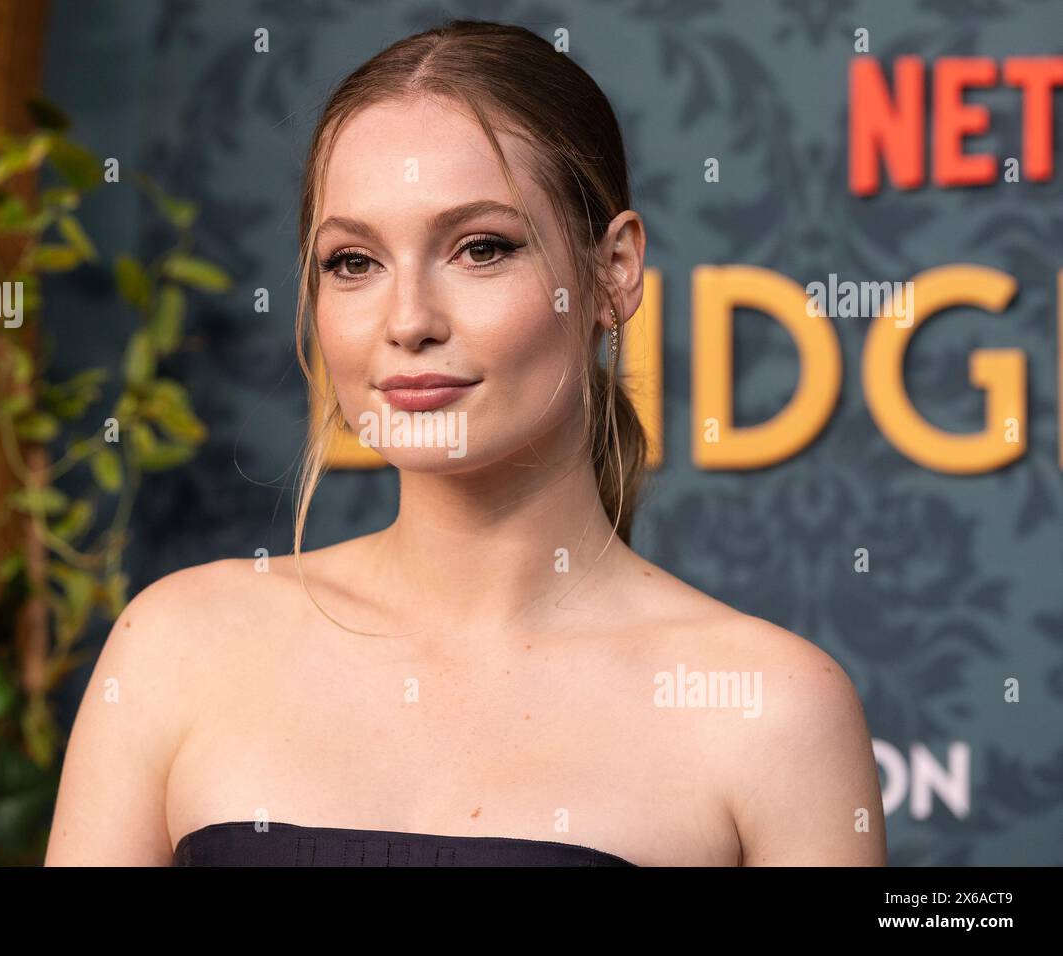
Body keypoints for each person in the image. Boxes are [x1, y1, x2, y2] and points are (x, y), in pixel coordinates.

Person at [45, 19, 887, 867]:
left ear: (614, 271)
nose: (408, 321)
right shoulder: (178, 646)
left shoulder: (770, 709)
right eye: (352, 261)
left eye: (481, 248)